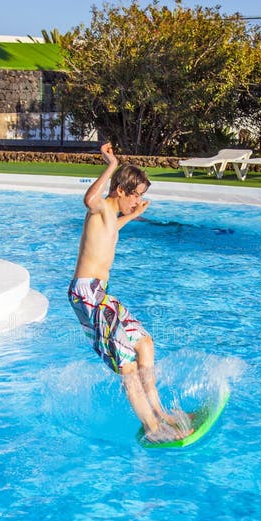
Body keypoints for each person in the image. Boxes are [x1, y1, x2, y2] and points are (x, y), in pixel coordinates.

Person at [67, 143, 191, 442]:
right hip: (87, 295)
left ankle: (160, 413)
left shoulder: (111, 216)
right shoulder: (100, 207)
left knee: (145, 343)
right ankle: (151, 427)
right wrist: (112, 164)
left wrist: (133, 216)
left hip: (101, 293)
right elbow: (89, 198)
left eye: (142, 196)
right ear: (120, 190)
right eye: (135, 195)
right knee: (127, 365)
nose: (138, 200)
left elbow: (113, 230)